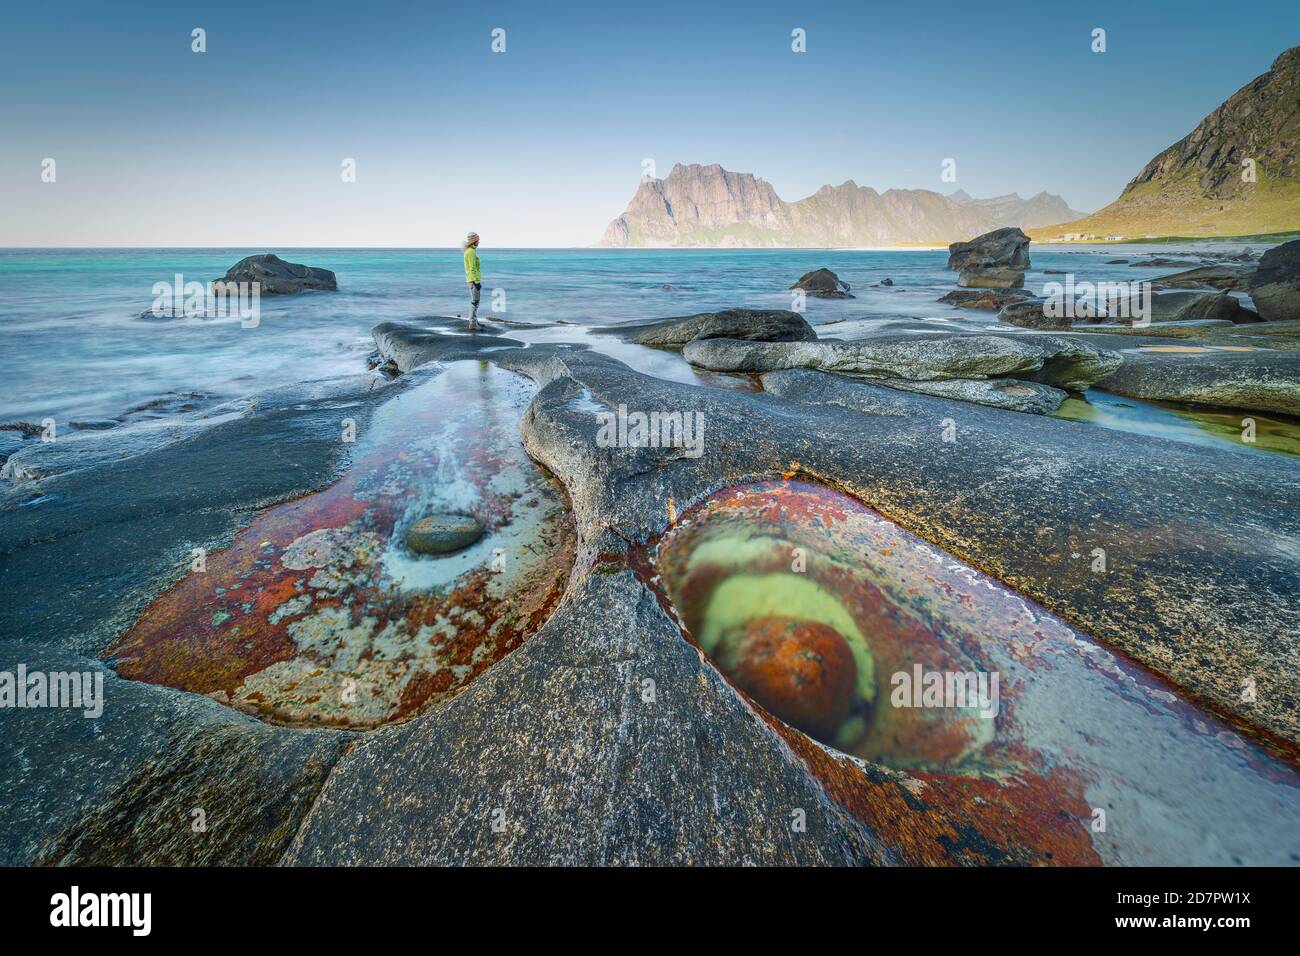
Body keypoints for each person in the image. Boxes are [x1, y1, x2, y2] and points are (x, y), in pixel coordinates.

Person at [463, 232, 482, 330]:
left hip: (472, 279)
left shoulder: (471, 251)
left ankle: (474, 321)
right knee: (475, 302)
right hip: (473, 280)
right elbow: (472, 268)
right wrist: (476, 281)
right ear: (474, 241)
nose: (479, 241)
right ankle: (473, 323)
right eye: (478, 240)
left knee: (475, 301)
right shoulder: (471, 252)